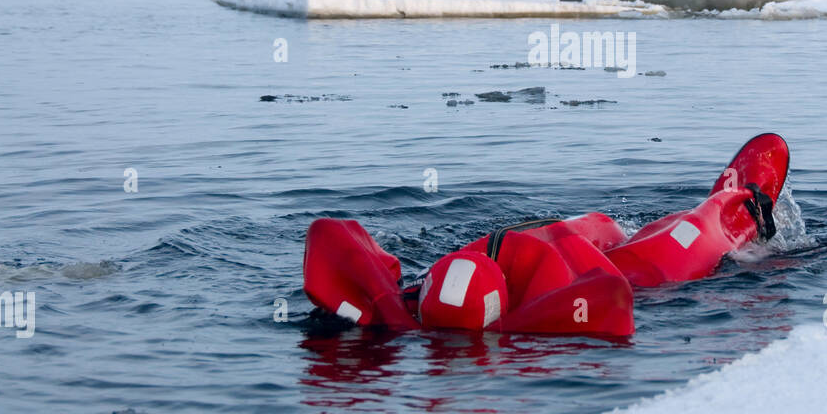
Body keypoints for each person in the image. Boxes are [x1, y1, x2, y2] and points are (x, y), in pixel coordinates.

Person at [303, 133, 788, 337]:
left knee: (607, 225)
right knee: (683, 238)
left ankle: (730, 202)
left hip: (548, 247)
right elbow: (612, 293)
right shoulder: (512, 316)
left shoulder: (412, 309)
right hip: (596, 267)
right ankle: (740, 201)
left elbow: (328, 235)